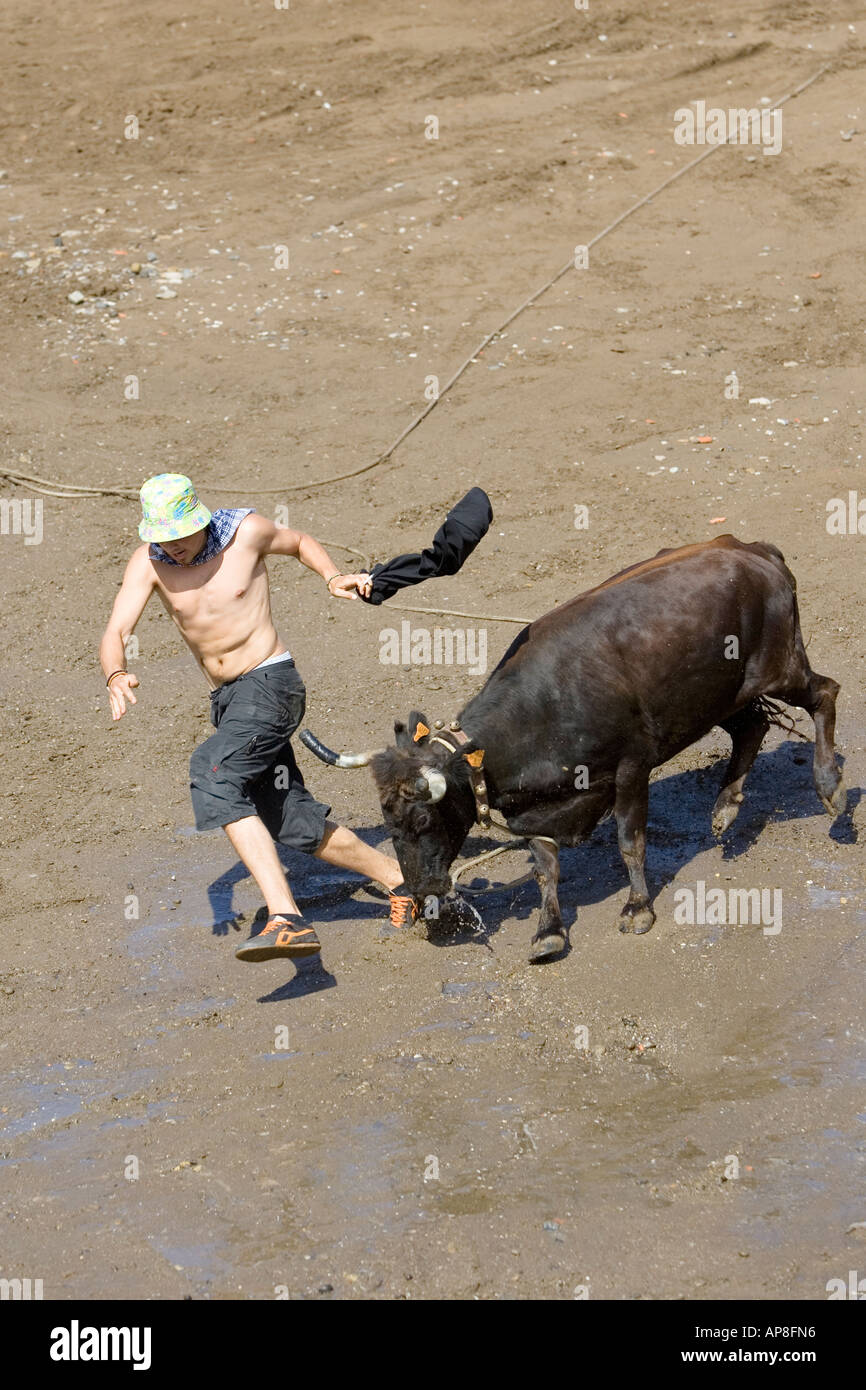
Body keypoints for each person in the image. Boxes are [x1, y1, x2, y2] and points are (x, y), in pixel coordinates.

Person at [99, 474, 415, 963]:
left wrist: (331, 576)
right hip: (228, 702)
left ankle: (285, 917)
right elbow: (117, 628)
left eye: (181, 534)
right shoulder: (149, 562)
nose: (174, 548)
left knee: (212, 773)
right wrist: (115, 672)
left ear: (199, 518)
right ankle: (402, 881)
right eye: (163, 538)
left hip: (270, 684)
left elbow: (301, 542)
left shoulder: (245, 532)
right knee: (292, 823)